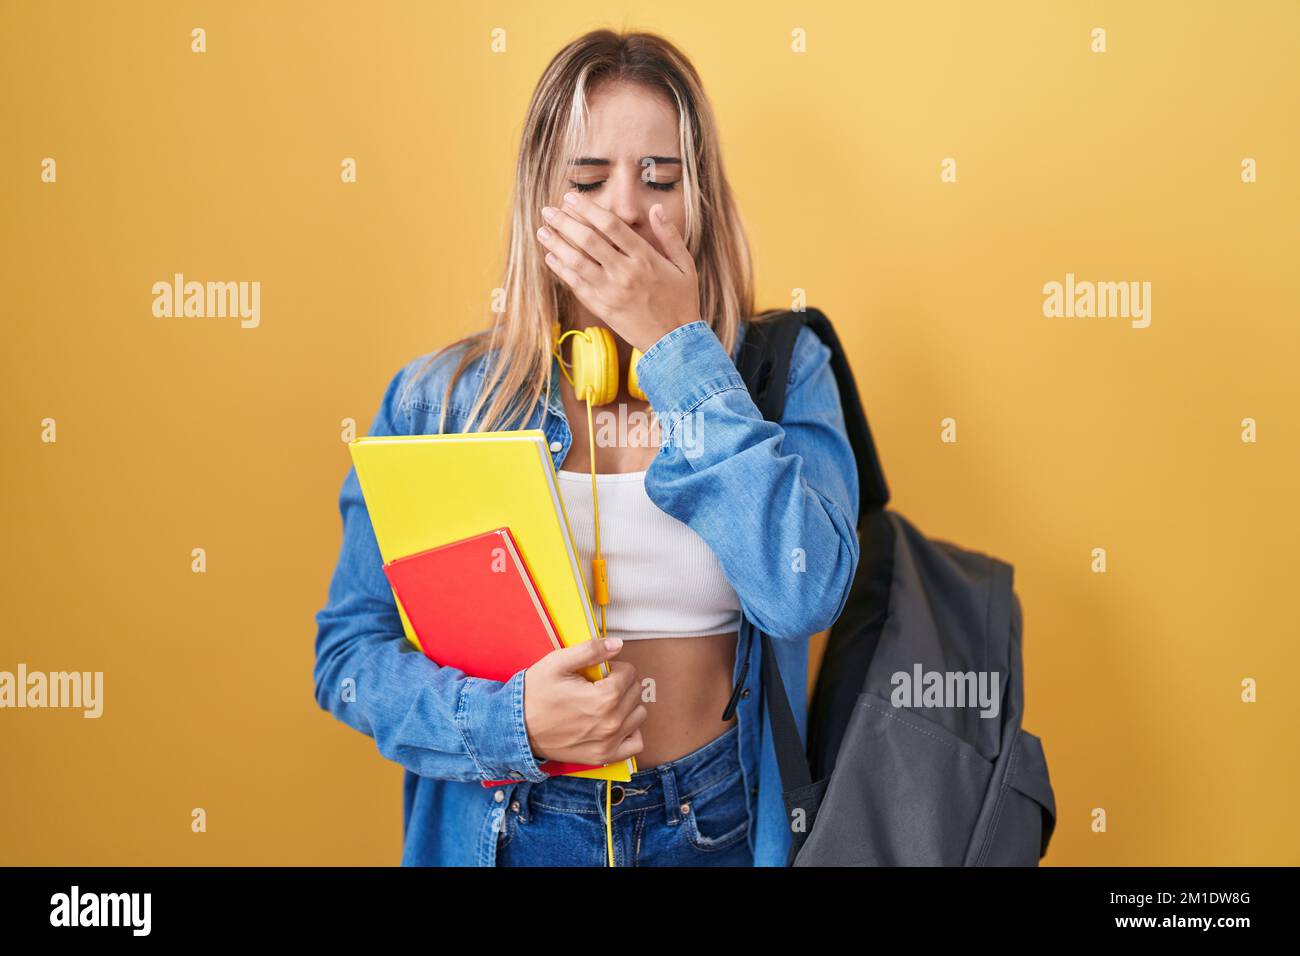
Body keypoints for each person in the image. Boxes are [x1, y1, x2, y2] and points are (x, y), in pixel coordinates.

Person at [313, 28, 860, 867]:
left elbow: (804, 591)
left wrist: (676, 348)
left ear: (701, 199)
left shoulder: (784, 372)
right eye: (588, 179)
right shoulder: (439, 399)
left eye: (661, 178)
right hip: (512, 825)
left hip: (716, 822)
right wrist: (509, 724)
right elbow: (348, 655)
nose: (627, 210)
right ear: (542, 198)